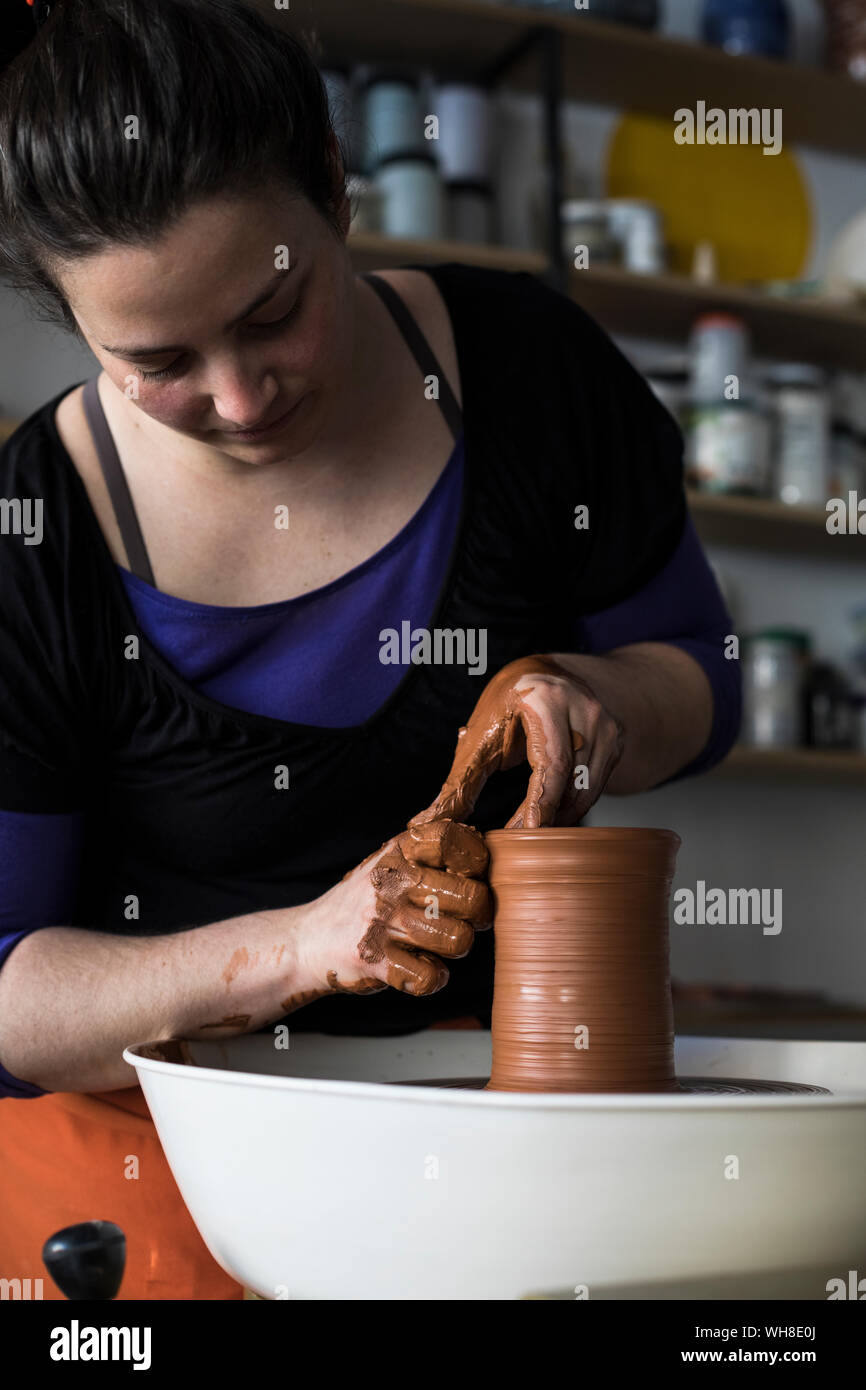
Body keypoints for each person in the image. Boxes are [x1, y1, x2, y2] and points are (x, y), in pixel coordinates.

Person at [0, 0, 740, 1298]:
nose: (237, 400)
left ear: (335, 191)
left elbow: (702, 677)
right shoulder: (31, 531)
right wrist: (301, 946)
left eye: (273, 308)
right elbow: (13, 998)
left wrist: (599, 696)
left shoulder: (533, 370)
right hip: (158, 1117)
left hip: (486, 1085)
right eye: (155, 362)